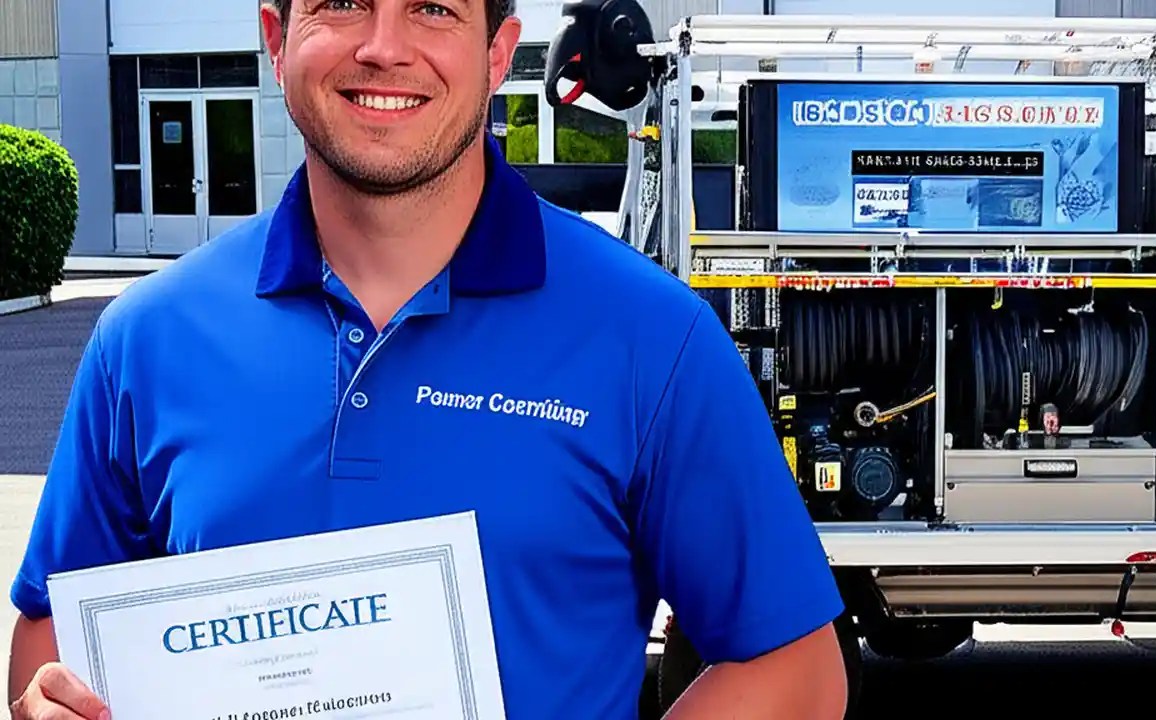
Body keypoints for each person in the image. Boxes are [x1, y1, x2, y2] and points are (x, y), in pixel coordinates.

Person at [7, 1, 849, 718]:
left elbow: (797, 672)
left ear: (496, 52)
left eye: (433, 8)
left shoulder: (650, 337)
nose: (383, 45)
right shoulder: (148, 337)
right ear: (276, 36)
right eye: (341, 2)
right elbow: (51, 639)